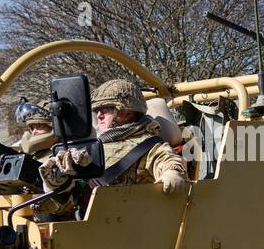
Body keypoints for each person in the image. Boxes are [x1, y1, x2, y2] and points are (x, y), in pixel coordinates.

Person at [39, 78, 187, 196]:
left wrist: (171, 172)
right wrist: (59, 184)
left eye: (106, 109)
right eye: (97, 110)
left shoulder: (148, 145)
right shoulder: (92, 147)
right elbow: (75, 205)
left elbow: (166, 160)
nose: (99, 115)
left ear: (127, 112)